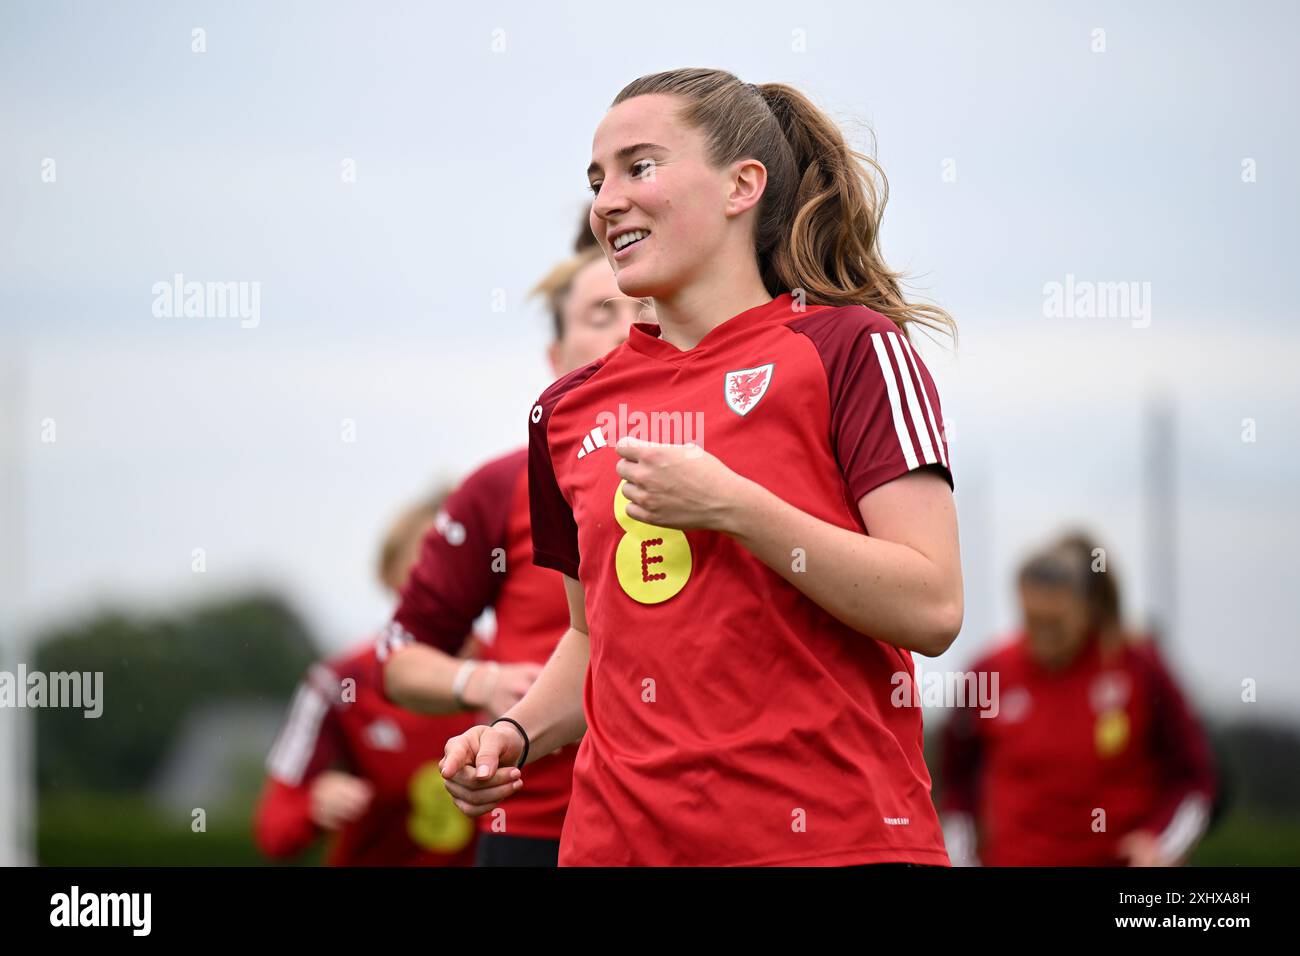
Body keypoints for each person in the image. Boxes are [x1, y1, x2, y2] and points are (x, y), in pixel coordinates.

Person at [440, 68, 964, 866]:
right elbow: (593, 639)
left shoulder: (850, 349)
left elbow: (931, 605)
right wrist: (512, 734)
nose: (607, 200)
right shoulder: (565, 410)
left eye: (639, 167)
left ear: (741, 186)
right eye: (596, 178)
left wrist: (736, 507)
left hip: (833, 844)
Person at [380, 239, 649, 866]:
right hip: (538, 829)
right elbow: (399, 655)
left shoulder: (724, 461)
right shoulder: (502, 486)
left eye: (642, 309)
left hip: (684, 821)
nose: (626, 330)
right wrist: (483, 682)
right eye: (599, 314)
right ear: (556, 357)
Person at [938, 531, 1219, 867]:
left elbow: (1194, 779)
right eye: (1033, 620)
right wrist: (963, 859)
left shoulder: (1139, 668)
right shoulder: (988, 673)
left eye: (1056, 623)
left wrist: (1159, 844)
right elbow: (956, 784)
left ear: (1089, 609)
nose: (1043, 635)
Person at [253, 490, 480, 866]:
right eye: (431, 557)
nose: (450, 573)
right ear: (390, 574)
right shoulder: (336, 684)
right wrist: (314, 805)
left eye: (466, 555)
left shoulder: (522, 676)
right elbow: (274, 830)